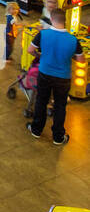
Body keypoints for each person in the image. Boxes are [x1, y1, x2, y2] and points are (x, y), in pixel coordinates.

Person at [28, 8, 83, 146]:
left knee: (41, 101)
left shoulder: (43, 34)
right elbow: (81, 60)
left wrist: (40, 56)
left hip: (44, 73)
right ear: (65, 21)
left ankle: (36, 130)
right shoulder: (73, 40)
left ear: (52, 20)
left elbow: (30, 50)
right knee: (60, 106)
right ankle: (58, 137)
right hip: (63, 77)